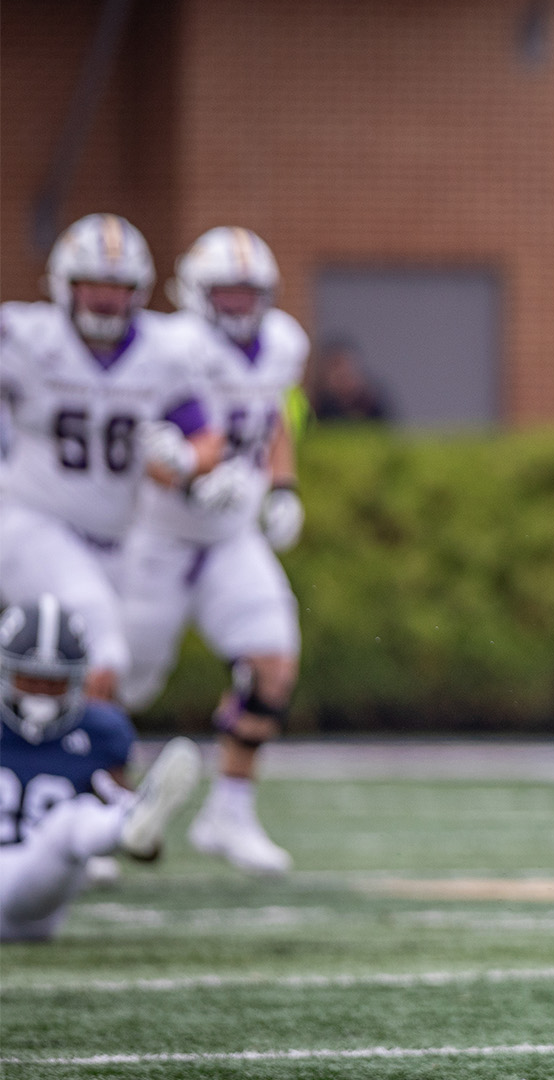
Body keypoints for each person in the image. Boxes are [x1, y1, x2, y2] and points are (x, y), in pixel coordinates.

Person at [117, 227, 309, 877]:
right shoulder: (169, 347)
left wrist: (281, 486)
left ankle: (230, 810)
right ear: (195, 293)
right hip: (158, 535)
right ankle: (103, 811)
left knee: (274, 663)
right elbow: (132, 435)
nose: (236, 303)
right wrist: (190, 476)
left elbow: (273, 413)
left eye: (247, 291)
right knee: (119, 680)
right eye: (223, 291)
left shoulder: (283, 341)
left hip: (231, 538)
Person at [0, 214, 228, 705]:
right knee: (101, 645)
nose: (105, 299)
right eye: (93, 286)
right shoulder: (26, 337)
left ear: (139, 291)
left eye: (118, 287)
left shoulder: (163, 352)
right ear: (64, 287)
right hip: (33, 523)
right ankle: (96, 778)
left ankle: (50, 769)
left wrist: (186, 460)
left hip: (117, 540)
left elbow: (208, 437)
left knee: (127, 675)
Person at [0, 594, 201, 941]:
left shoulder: (97, 732)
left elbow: (148, 853)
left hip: (39, 900)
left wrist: (141, 836)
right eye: (29, 680)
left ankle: (127, 822)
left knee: (72, 821)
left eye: (53, 683)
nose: (41, 695)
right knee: (73, 820)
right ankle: (125, 822)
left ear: (76, 680)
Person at [305, 339, 388, 423]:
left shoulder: (374, 405)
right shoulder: (316, 407)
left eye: (347, 369)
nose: (342, 374)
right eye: (336, 369)